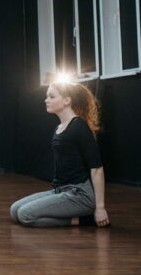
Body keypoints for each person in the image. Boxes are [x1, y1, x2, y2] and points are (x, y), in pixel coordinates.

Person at [10, 82, 110, 228]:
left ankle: (83, 221)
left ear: (67, 100)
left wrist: (100, 208)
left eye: (51, 96)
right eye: (46, 96)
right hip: (60, 190)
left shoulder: (79, 127)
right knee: (14, 211)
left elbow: (97, 169)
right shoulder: (59, 128)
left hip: (80, 195)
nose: (46, 100)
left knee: (25, 215)